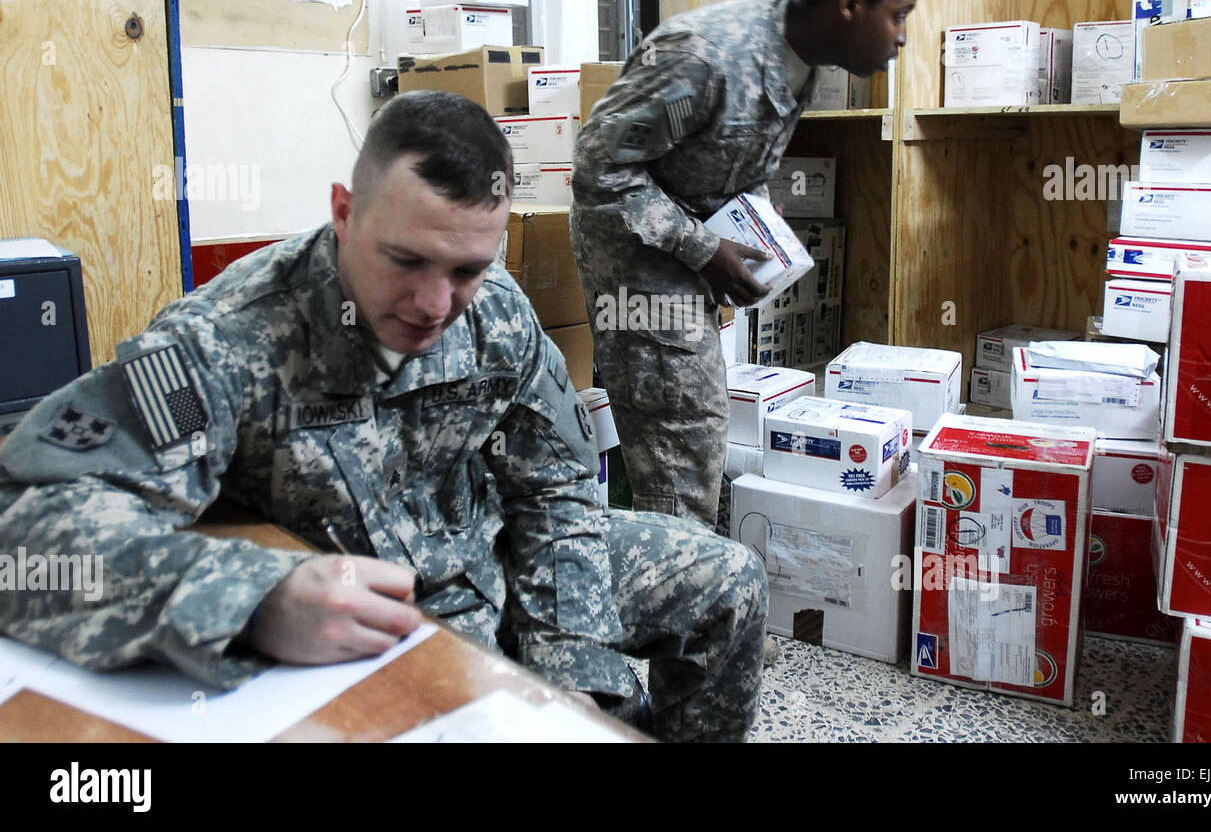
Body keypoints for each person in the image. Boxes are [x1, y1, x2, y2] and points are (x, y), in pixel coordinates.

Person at [0, 90, 767, 743]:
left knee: (729, 574)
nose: (436, 305)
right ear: (344, 211)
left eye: (467, 268)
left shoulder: (495, 308)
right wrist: (255, 597)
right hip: (367, 611)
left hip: (492, 559)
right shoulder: (228, 339)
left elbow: (555, 488)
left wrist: (574, 674)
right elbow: (25, 531)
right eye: (405, 260)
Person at [570, 0, 920, 531]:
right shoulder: (703, 56)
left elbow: (732, 161)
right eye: (898, 16)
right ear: (850, 3)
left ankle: (673, 576)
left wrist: (754, 230)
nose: (902, 37)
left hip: (686, 252)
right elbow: (599, 165)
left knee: (696, 430)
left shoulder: (799, 61)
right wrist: (705, 250)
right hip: (637, 263)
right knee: (682, 438)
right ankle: (670, 590)